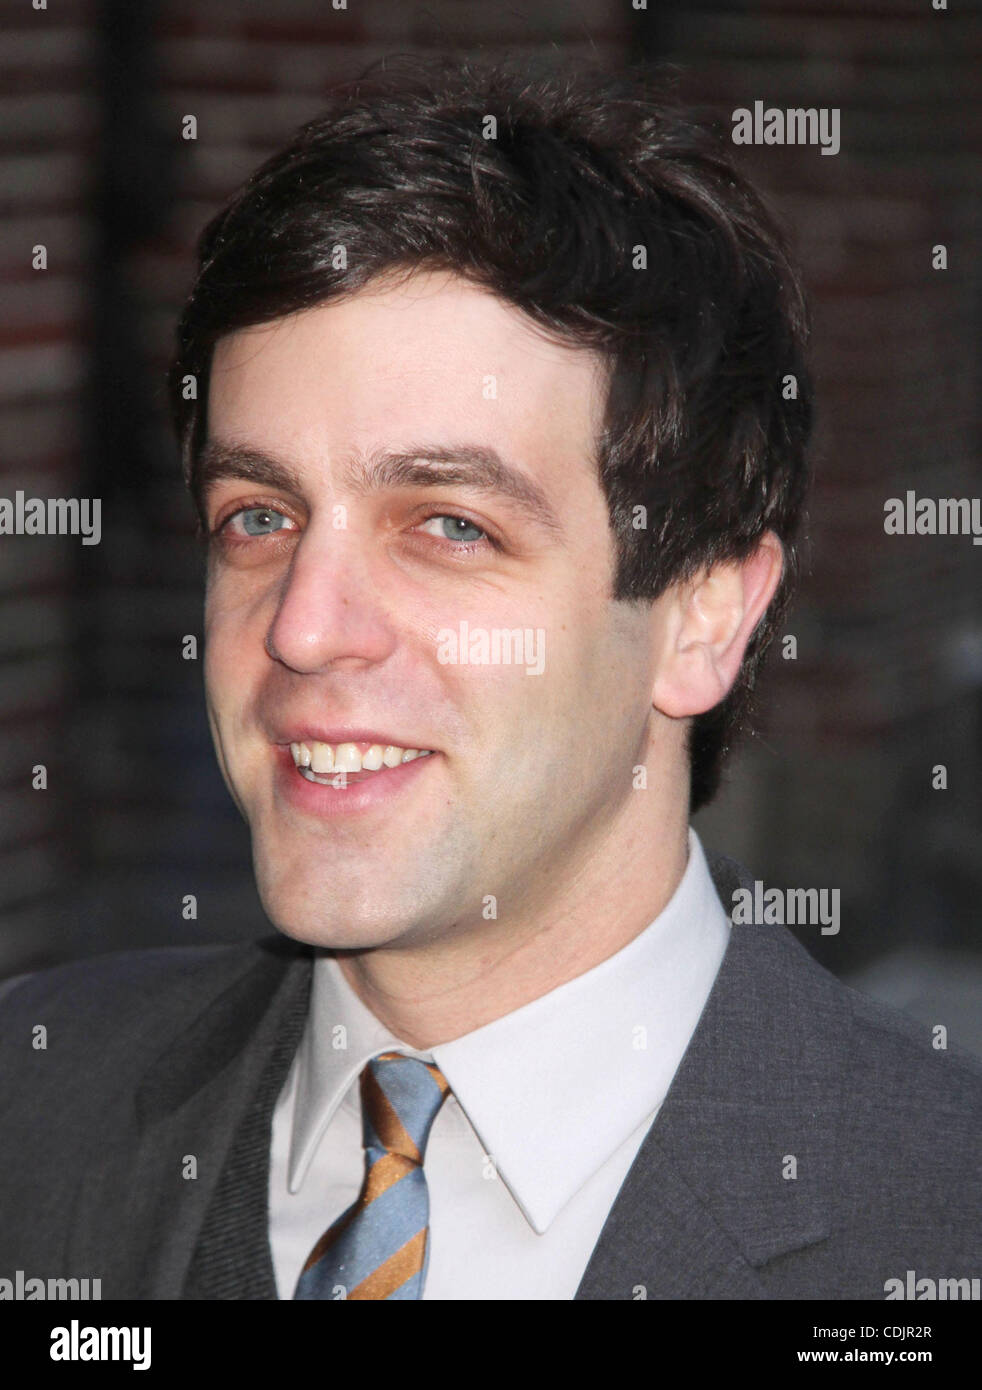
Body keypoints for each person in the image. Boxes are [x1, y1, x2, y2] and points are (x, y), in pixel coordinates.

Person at [1, 56, 979, 1302]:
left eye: (451, 525)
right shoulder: (32, 1104)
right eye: (259, 515)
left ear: (704, 615)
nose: (303, 627)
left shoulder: (941, 1229)